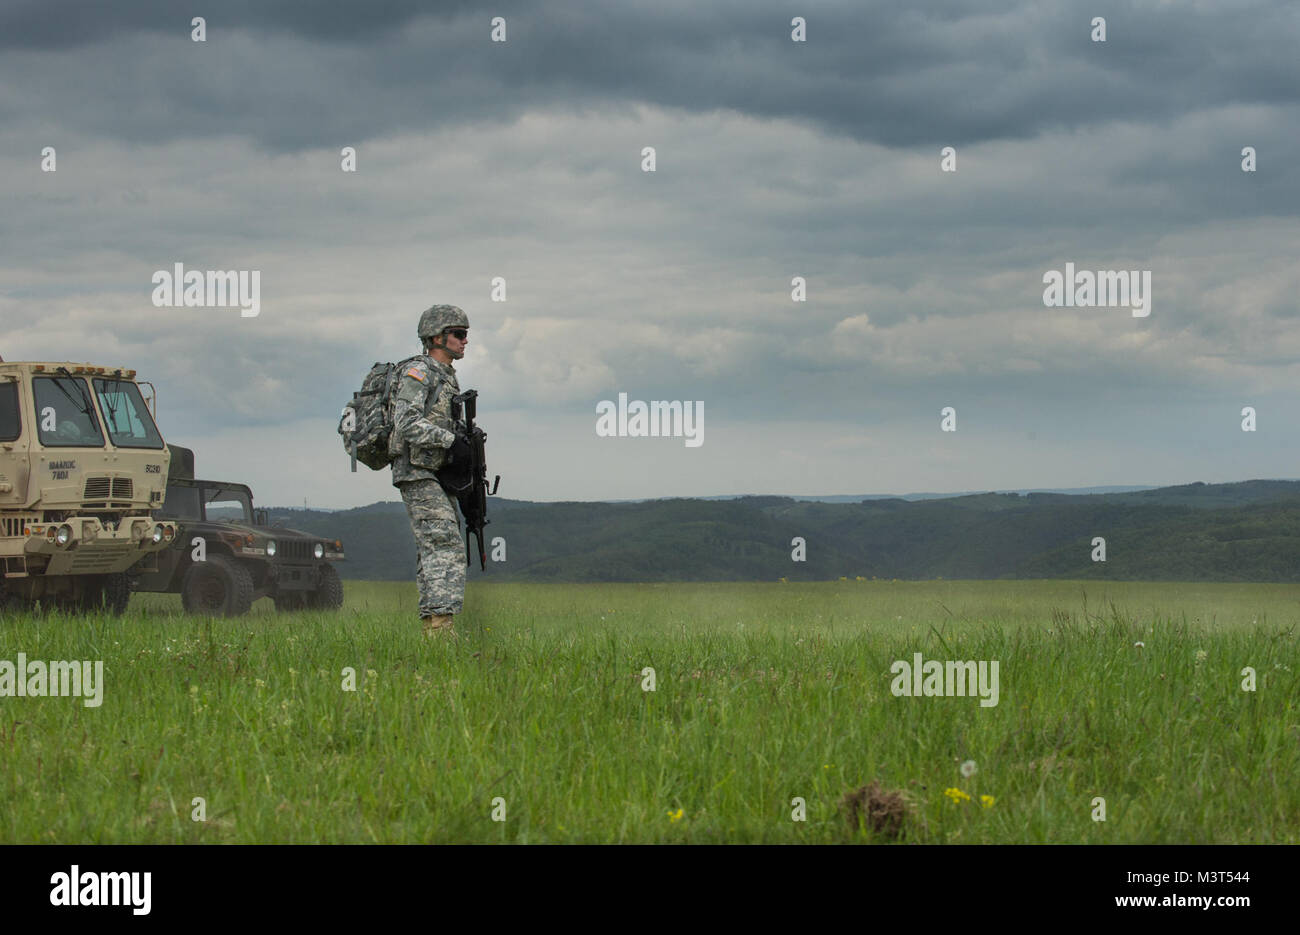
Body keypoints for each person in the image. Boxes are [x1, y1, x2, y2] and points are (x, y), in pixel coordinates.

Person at [390, 304, 470, 637]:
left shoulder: (446, 377)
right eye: (459, 334)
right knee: (445, 545)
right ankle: (440, 630)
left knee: (436, 546)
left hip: (435, 473)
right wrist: (451, 441)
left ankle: (432, 628)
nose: (465, 341)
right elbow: (406, 422)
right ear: (437, 337)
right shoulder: (419, 371)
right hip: (417, 472)